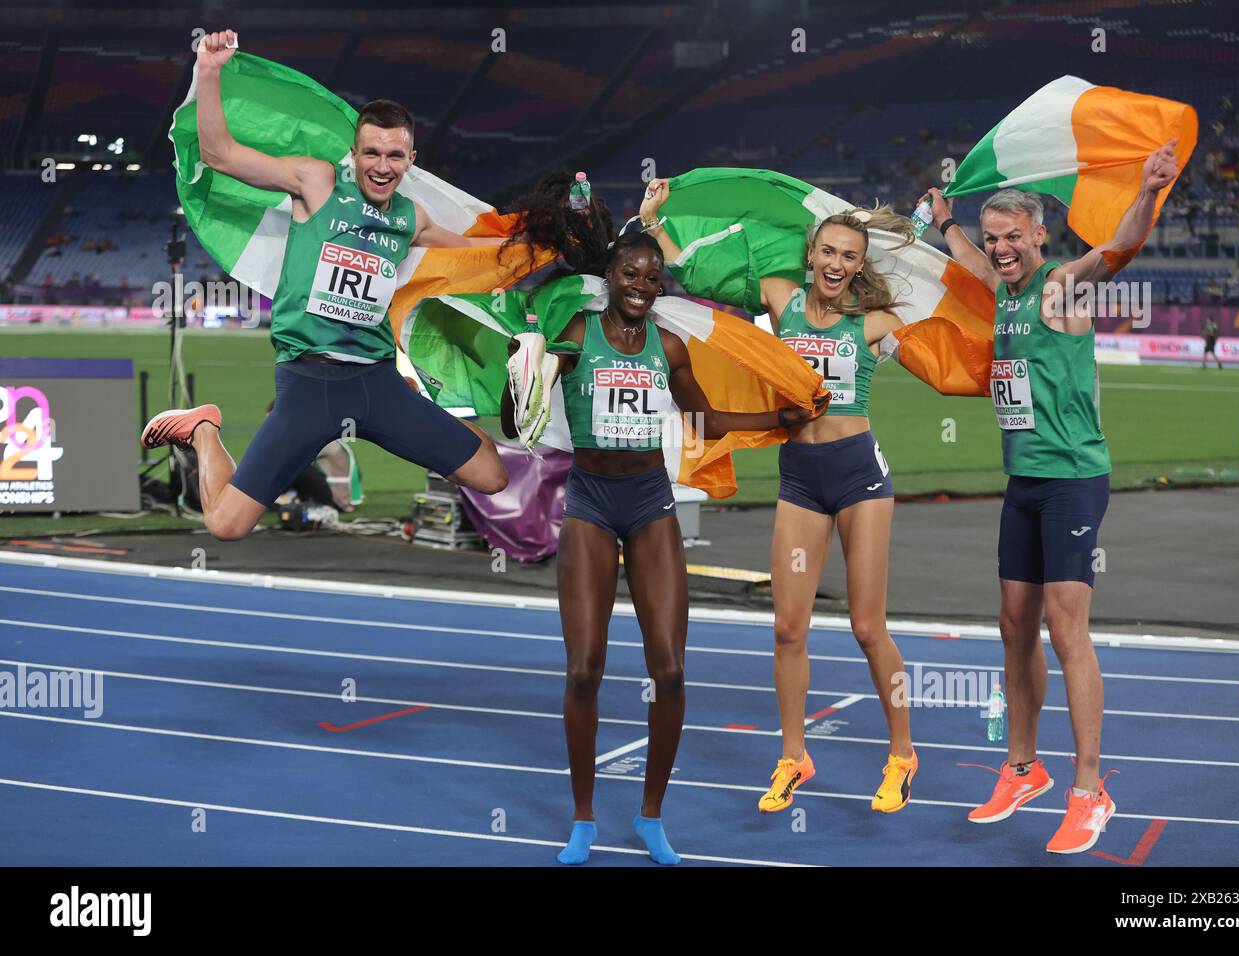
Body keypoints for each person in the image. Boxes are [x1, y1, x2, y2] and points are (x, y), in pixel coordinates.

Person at [501, 229, 824, 865]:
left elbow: (704, 420)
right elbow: (516, 423)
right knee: (584, 669)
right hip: (591, 504)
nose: (643, 287)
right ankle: (584, 818)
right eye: (631, 275)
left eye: (653, 278)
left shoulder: (669, 345)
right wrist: (525, 367)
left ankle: (652, 815)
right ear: (611, 277)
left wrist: (780, 421)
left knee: (670, 670)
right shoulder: (574, 337)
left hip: (650, 504)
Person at [141, 29, 510, 539]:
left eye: (395, 156)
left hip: (379, 385)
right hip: (309, 386)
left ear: (411, 160)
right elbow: (221, 154)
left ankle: (423, 413)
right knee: (226, 525)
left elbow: (492, 256)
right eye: (372, 153)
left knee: (491, 475)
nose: (383, 167)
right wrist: (208, 71)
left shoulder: (412, 218)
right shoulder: (314, 183)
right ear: (354, 154)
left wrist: (560, 239)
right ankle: (204, 429)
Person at [923, 139, 1181, 853]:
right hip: (1025, 481)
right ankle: (1022, 768)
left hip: (1072, 478)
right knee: (1013, 622)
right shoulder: (1002, 287)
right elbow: (971, 260)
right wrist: (946, 221)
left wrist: (1148, 191)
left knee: (1066, 630)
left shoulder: (1061, 284)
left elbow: (1119, 248)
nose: (1001, 249)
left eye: (1014, 237)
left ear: (1040, 234)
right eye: (994, 237)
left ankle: (1091, 790)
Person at [640, 180, 920, 816]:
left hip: (859, 479)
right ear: (811, 253)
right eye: (828, 252)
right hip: (801, 477)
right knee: (789, 628)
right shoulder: (780, 299)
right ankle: (794, 755)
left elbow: (934, 356)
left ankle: (902, 754)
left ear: (859, 265)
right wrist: (656, 223)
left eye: (849, 257)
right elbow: (695, 277)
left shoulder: (875, 324)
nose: (836, 264)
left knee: (867, 625)